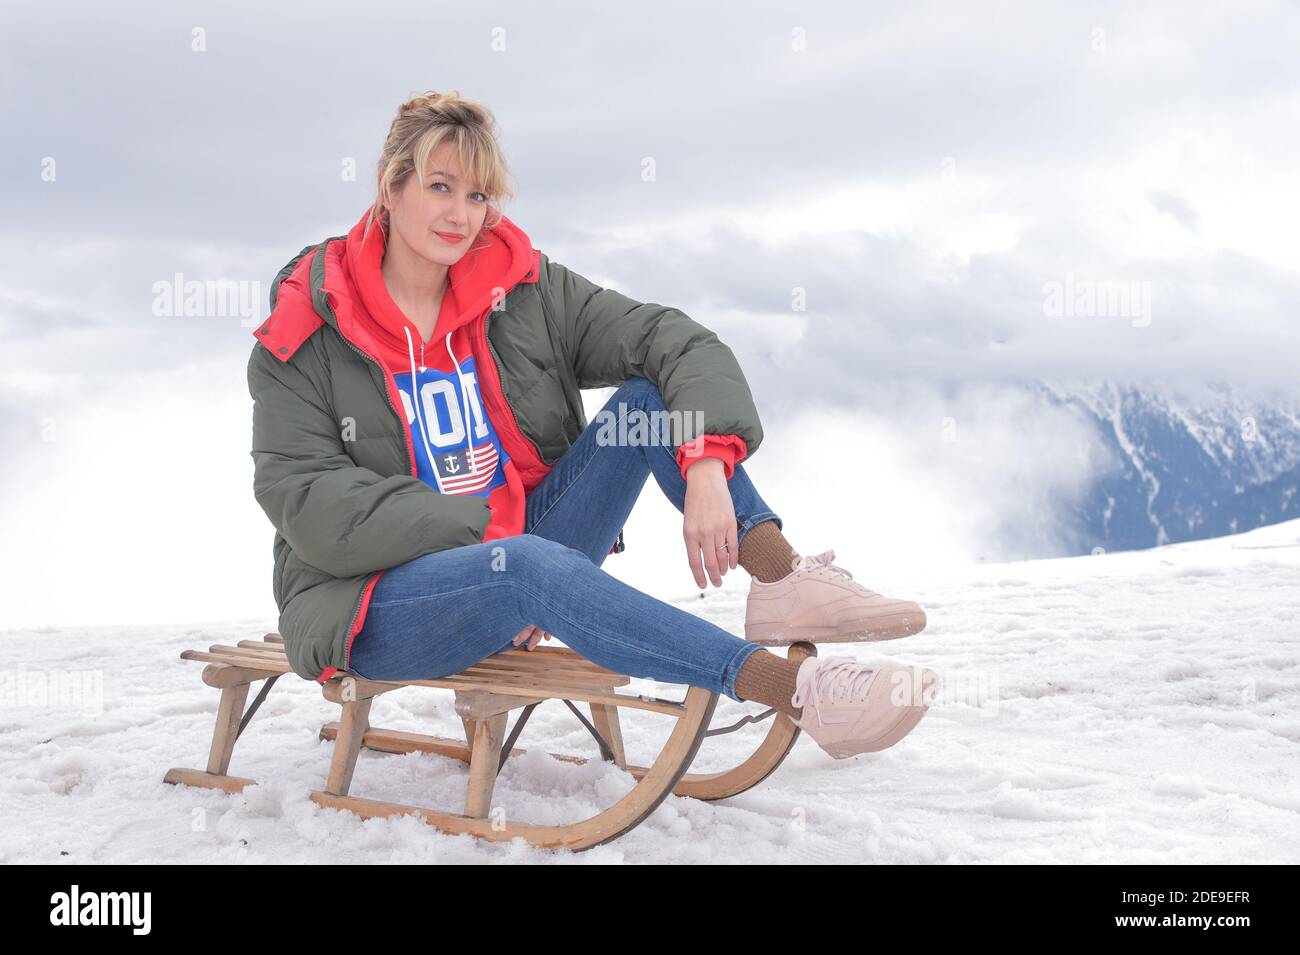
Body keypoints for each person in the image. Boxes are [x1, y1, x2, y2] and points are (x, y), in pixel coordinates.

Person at [248, 90, 938, 758]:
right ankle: (799, 692)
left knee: (646, 405)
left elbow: (672, 338)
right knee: (521, 561)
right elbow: (309, 503)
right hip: (375, 602)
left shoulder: (517, 291)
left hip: (522, 554)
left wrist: (703, 465)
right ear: (389, 186)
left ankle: (781, 579)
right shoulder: (307, 329)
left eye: (478, 194)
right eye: (439, 186)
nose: (461, 214)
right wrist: (491, 536)